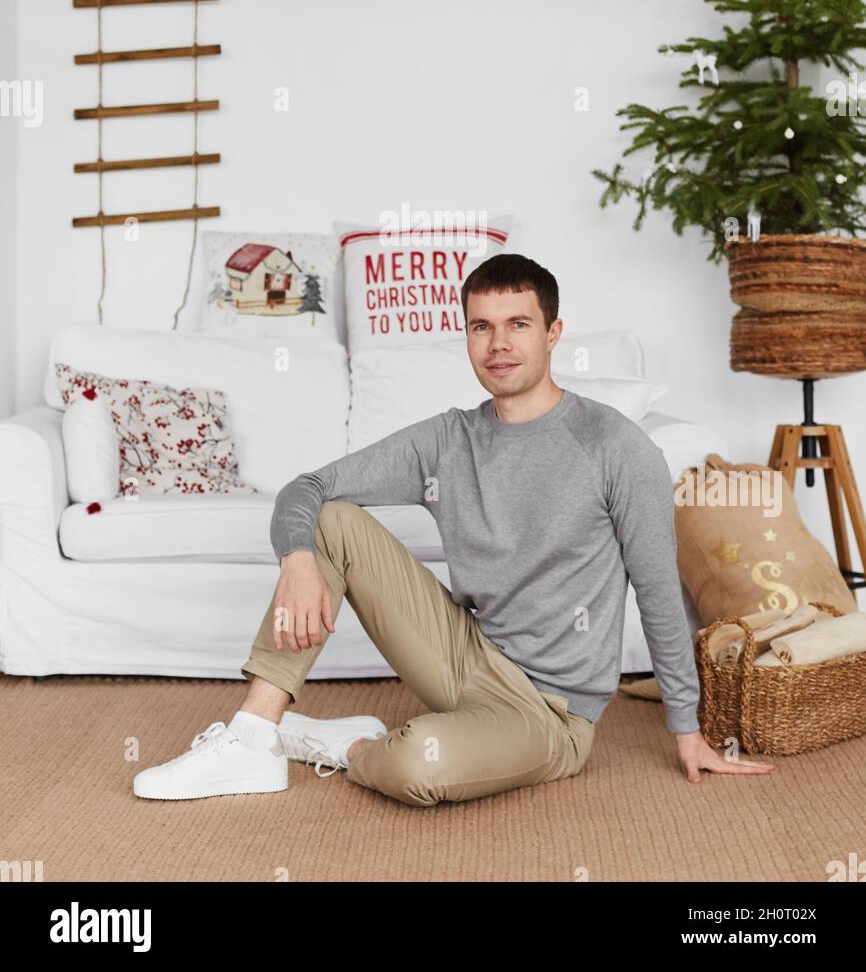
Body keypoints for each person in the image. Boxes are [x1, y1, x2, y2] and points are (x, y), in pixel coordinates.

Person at [133, 253, 775, 805]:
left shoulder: (617, 447)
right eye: (481, 328)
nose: (499, 345)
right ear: (466, 337)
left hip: (550, 713)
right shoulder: (449, 439)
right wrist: (298, 558)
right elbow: (309, 488)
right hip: (462, 655)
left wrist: (685, 727)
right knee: (329, 520)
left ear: (553, 333)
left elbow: (660, 590)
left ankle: (346, 742)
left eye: (518, 325)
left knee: (418, 765)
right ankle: (251, 739)